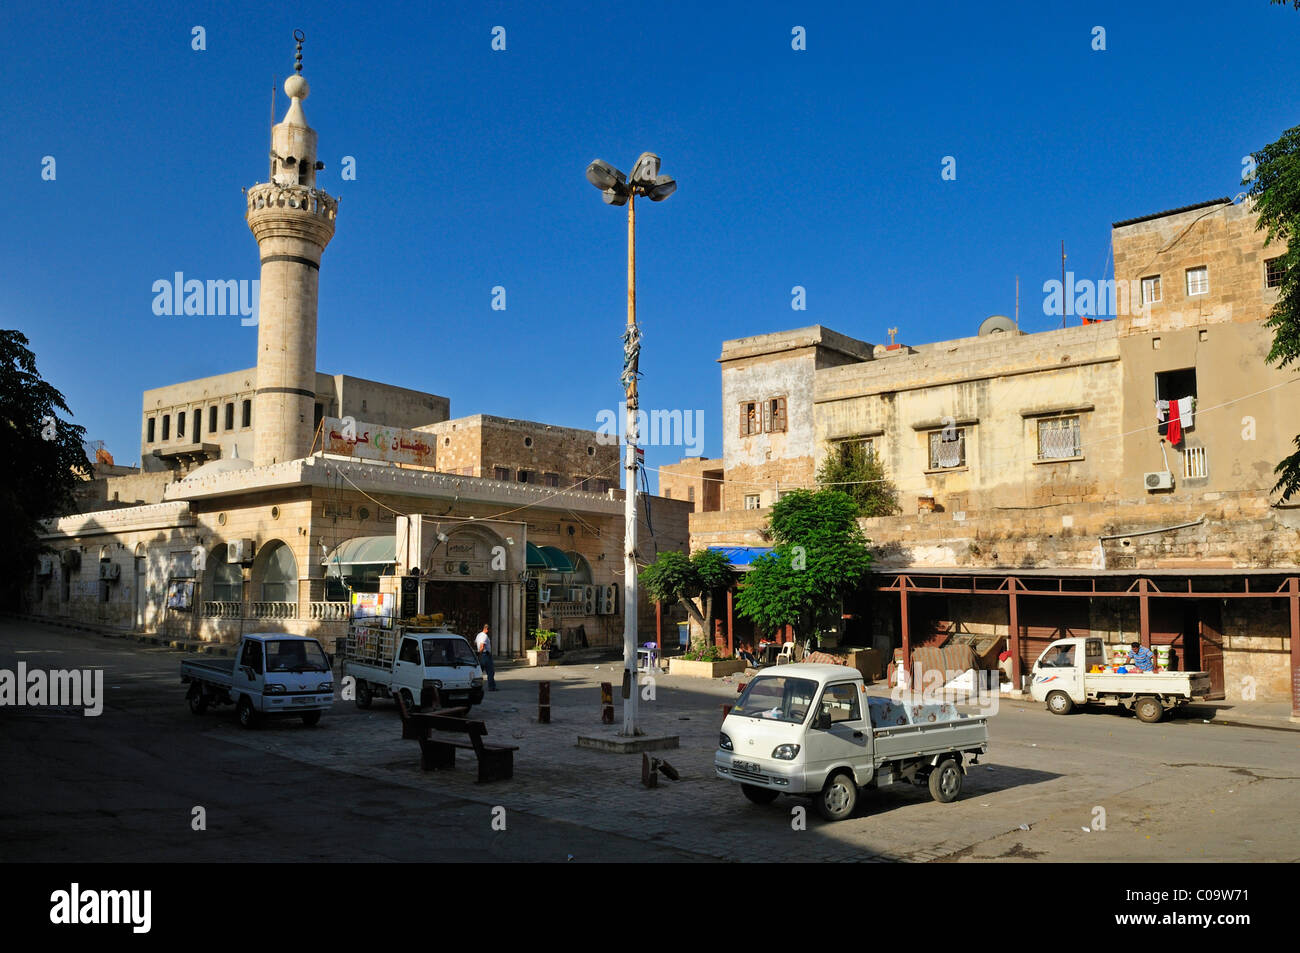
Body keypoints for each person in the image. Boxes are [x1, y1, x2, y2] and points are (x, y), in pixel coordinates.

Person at [475, 623, 497, 691]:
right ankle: (491, 687)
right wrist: (480, 653)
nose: (490, 632)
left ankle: (475, 686)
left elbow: (475, 643)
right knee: (490, 672)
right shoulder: (484, 636)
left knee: (479, 672)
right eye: (489, 630)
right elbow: (482, 645)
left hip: (481, 655)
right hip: (485, 655)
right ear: (486, 629)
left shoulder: (478, 635)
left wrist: (478, 654)